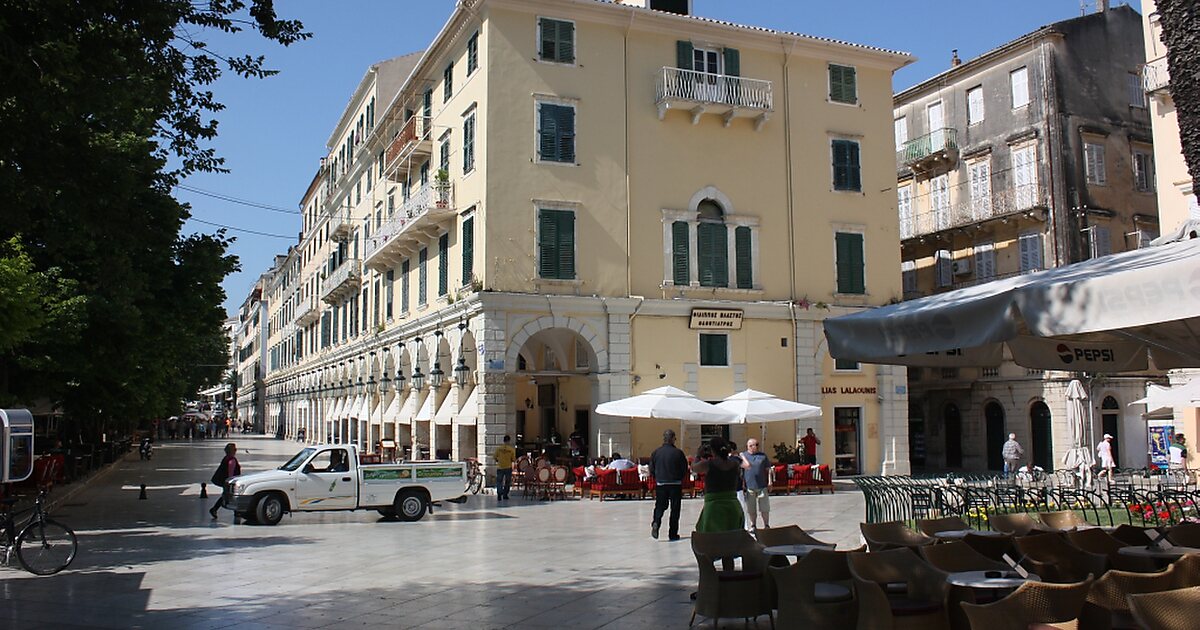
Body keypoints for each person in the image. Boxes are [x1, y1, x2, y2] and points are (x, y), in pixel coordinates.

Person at [691, 437, 745, 533]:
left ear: (712, 450)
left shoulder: (708, 464)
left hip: (714, 507)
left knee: (712, 540)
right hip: (733, 504)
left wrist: (698, 455)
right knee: (733, 539)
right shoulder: (735, 464)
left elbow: (694, 468)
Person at [650, 429, 689, 541]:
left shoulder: (656, 452)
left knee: (660, 506)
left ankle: (656, 522)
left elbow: (651, 469)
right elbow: (684, 469)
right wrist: (679, 477)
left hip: (661, 483)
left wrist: (657, 477)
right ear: (672, 439)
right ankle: (673, 533)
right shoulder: (678, 453)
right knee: (675, 509)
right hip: (675, 484)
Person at [739, 438, 771, 532]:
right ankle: (753, 525)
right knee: (751, 508)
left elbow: (768, 469)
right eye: (752, 445)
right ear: (748, 446)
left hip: (762, 485)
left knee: (765, 507)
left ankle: (766, 525)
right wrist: (743, 484)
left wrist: (770, 481)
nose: (755, 447)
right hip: (749, 486)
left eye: (756, 444)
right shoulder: (743, 456)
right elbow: (741, 471)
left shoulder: (763, 456)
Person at [209, 443, 241, 520]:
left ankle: (214, 509)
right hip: (229, 482)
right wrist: (231, 483)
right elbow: (230, 473)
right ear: (232, 451)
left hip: (224, 481)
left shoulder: (226, 458)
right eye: (235, 449)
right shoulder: (231, 460)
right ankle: (236, 512)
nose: (236, 450)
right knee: (231, 496)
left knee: (226, 496)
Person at [493, 435, 516, 500]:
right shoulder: (511, 450)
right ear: (509, 441)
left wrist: (499, 460)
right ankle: (505, 494)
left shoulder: (499, 449)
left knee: (499, 481)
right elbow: (513, 459)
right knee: (507, 481)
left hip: (500, 467)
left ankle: (499, 493)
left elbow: (494, 457)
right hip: (508, 467)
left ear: (503, 441)